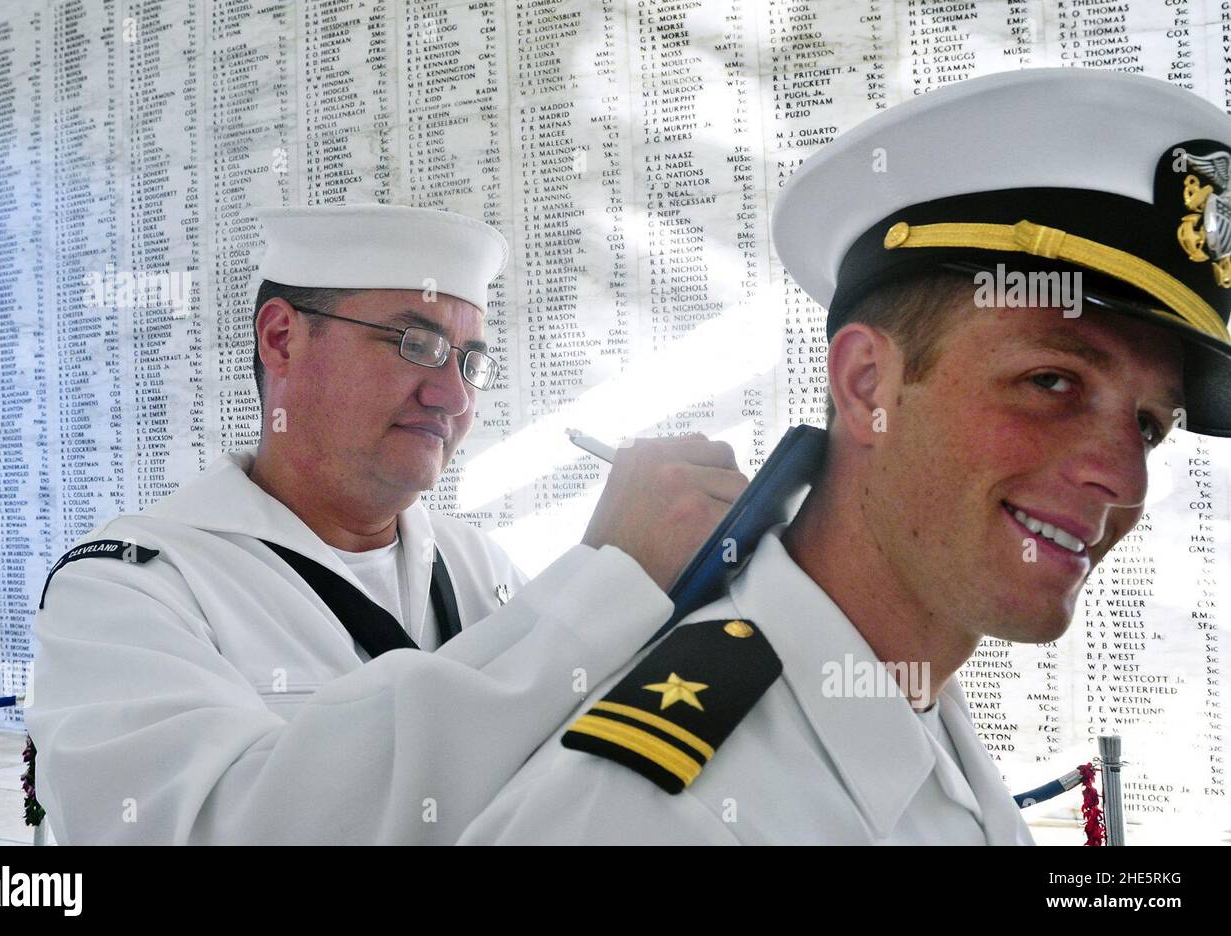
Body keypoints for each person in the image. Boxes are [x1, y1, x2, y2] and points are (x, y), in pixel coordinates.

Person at [458, 68, 1231, 844]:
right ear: (868, 386)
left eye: (1147, 426)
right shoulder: (651, 815)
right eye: (1052, 381)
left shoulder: (922, 722)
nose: (1123, 479)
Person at [26, 204, 747, 844]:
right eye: (415, 344)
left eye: (471, 360)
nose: (451, 394)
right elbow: (218, 829)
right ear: (281, 339)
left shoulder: (481, 569)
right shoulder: (128, 589)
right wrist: (602, 582)